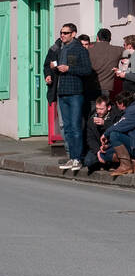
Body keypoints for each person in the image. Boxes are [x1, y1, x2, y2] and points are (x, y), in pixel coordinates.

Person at [44, 22, 93, 172]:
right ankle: (72, 157)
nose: (62, 35)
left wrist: (69, 68)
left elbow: (87, 70)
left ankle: (78, 158)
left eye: (66, 33)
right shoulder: (60, 48)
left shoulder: (80, 49)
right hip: (62, 92)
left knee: (75, 126)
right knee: (67, 128)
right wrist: (53, 69)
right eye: (61, 32)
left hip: (75, 92)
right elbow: (51, 64)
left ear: (73, 34)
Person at [96, 90, 135, 176]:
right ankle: (134, 161)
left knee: (114, 134)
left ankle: (126, 165)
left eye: (117, 104)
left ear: (122, 104)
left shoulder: (133, 111)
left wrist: (105, 134)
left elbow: (119, 126)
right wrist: (108, 145)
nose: (117, 106)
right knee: (104, 154)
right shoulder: (132, 109)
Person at [81, 95, 121, 174]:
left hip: (111, 146)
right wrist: (98, 151)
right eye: (97, 109)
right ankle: (101, 163)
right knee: (88, 161)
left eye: (101, 109)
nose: (98, 111)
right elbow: (90, 138)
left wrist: (104, 123)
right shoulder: (92, 118)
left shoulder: (116, 115)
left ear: (108, 107)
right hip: (99, 146)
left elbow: (118, 129)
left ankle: (112, 163)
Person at [87, 27, 124, 101]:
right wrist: (126, 70)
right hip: (107, 86)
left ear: (97, 37)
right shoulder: (118, 50)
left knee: (92, 110)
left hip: (91, 85)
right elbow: (133, 53)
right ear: (110, 39)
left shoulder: (89, 50)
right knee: (104, 110)